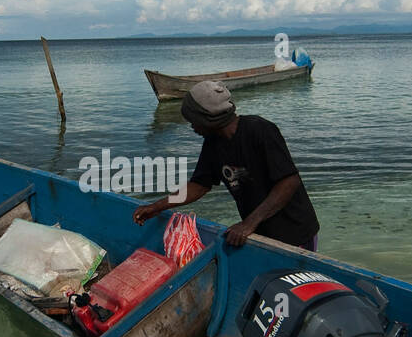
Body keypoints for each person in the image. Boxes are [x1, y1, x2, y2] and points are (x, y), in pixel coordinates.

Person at [132, 81, 320, 249]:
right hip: (260, 233)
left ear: (208, 118)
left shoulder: (260, 130)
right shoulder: (213, 144)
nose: (192, 127)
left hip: (295, 233)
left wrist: (248, 224)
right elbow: (199, 186)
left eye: (193, 121)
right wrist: (157, 207)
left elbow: (289, 181)